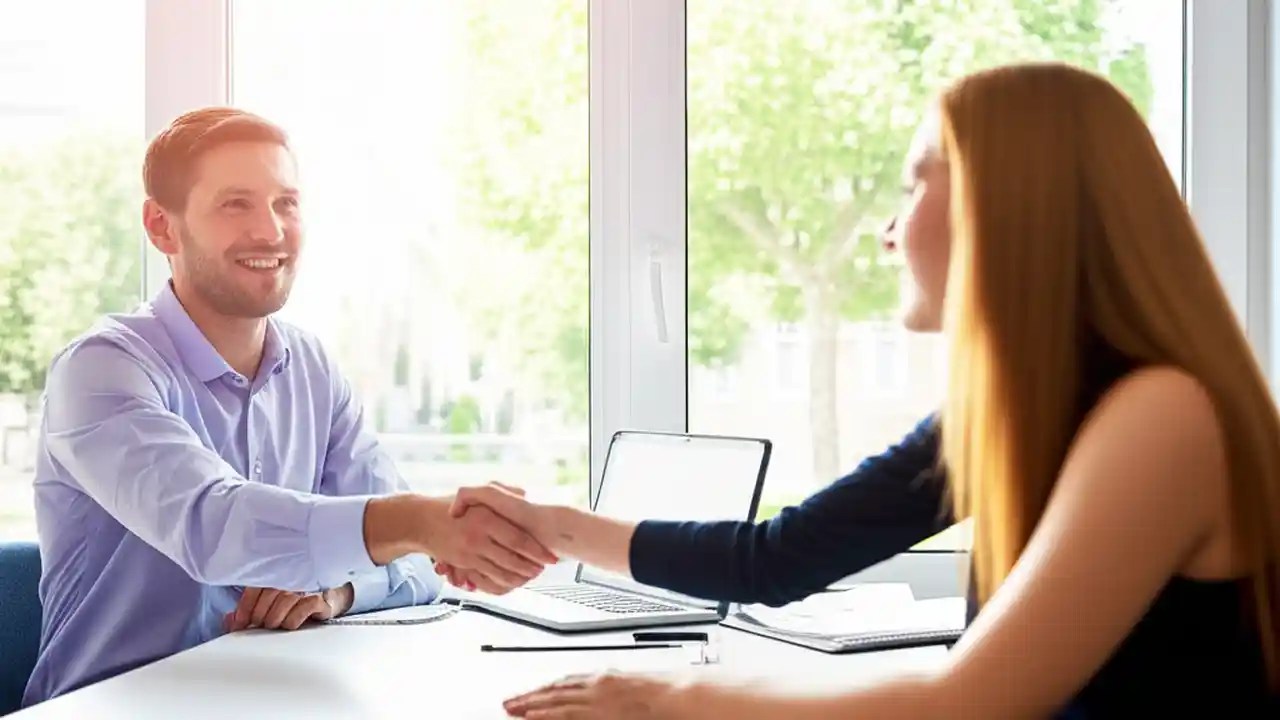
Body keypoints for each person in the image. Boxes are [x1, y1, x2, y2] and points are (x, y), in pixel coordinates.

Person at [444, 62, 1280, 717]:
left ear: (1007, 207)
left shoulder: (1164, 416)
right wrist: (549, 527)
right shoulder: (1011, 418)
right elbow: (773, 559)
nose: (889, 230)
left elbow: (972, 703)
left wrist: (670, 701)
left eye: (915, 185)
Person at [22, 108, 556, 707]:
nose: (271, 232)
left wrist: (336, 592)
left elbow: (422, 566)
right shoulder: (101, 370)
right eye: (236, 205)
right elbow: (213, 525)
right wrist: (416, 521)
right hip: (110, 708)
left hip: (268, 701)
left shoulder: (311, 368)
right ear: (161, 227)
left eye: (286, 204)